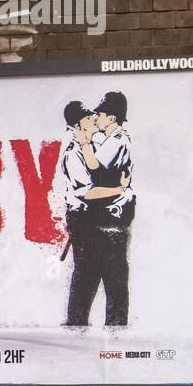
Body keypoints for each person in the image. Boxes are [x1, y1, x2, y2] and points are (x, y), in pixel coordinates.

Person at [64, 91, 134, 327]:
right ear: (77, 126)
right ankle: (75, 336)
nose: (94, 118)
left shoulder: (109, 142)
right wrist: (120, 190)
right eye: (89, 118)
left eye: (98, 115)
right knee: (86, 283)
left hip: (108, 224)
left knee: (115, 285)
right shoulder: (74, 154)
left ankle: (116, 339)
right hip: (86, 224)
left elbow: (99, 168)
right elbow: (89, 193)